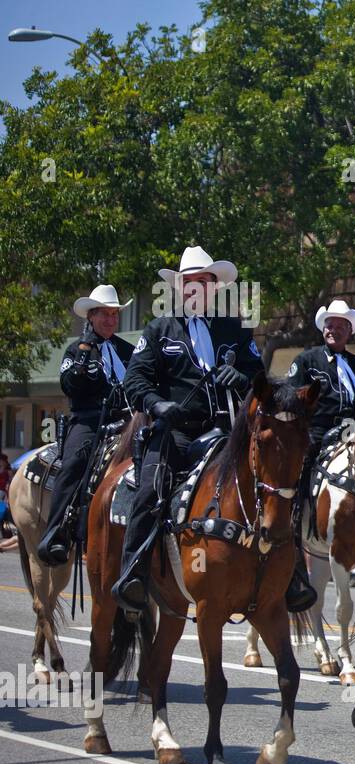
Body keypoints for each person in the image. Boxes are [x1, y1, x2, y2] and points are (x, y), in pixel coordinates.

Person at [110, 246, 310, 612]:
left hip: (228, 432)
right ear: (180, 288)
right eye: (190, 283)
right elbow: (134, 379)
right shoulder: (159, 329)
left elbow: (260, 376)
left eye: (204, 282)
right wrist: (157, 404)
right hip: (176, 431)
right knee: (151, 488)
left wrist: (245, 377)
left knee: (276, 484)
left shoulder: (233, 328)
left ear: (215, 287)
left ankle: (293, 573)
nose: (196, 289)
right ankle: (134, 572)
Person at [36, 286, 137, 565]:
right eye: (104, 314)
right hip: (91, 421)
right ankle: (56, 533)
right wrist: (83, 354)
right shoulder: (76, 349)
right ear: (91, 317)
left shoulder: (128, 350)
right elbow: (69, 386)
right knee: (74, 463)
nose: (110, 320)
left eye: (114, 314)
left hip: (129, 420)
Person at [286, 299, 355, 536]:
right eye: (330, 325)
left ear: (349, 332)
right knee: (300, 462)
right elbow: (291, 400)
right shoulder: (306, 361)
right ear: (323, 329)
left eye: (340, 326)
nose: (333, 331)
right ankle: (294, 520)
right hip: (317, 430)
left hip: (354, 431)